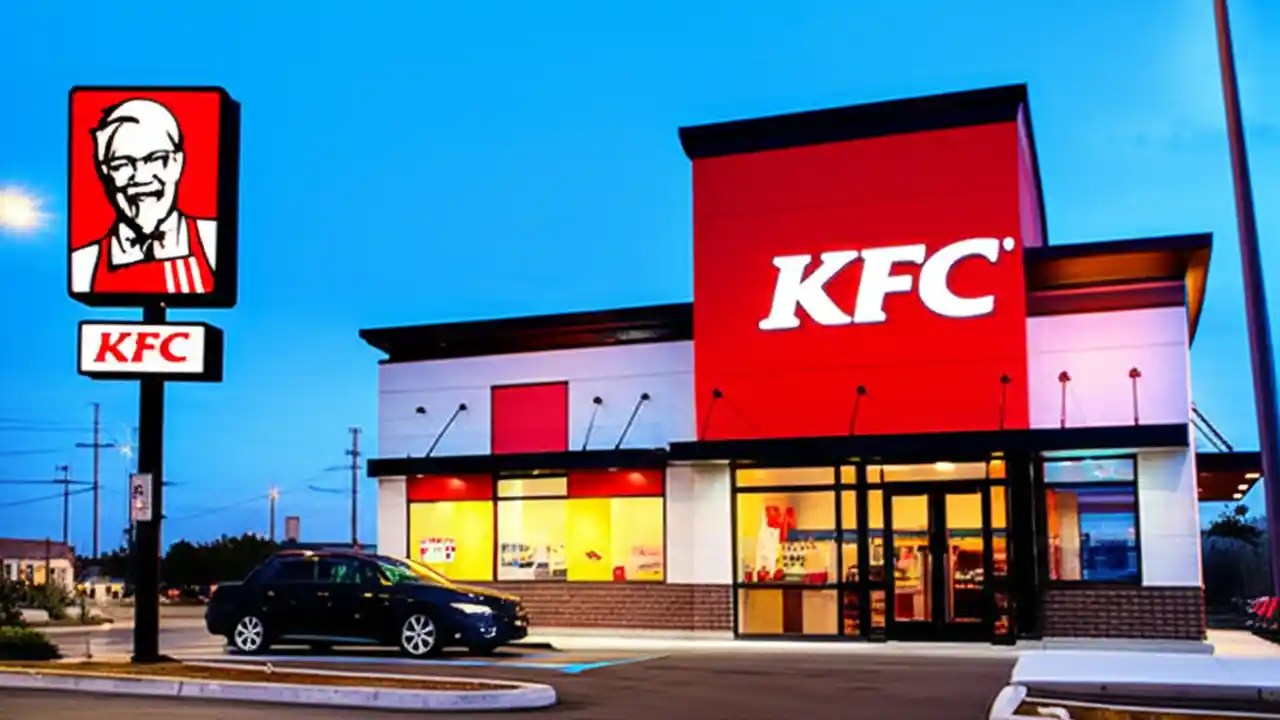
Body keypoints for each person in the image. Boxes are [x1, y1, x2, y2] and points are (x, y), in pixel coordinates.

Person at [70, 98, 217, 295]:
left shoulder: (213, 241)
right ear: (105, 171)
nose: (140, 177)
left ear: (177, 163)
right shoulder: (83, 266)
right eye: (122, 164)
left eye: (156, 159)